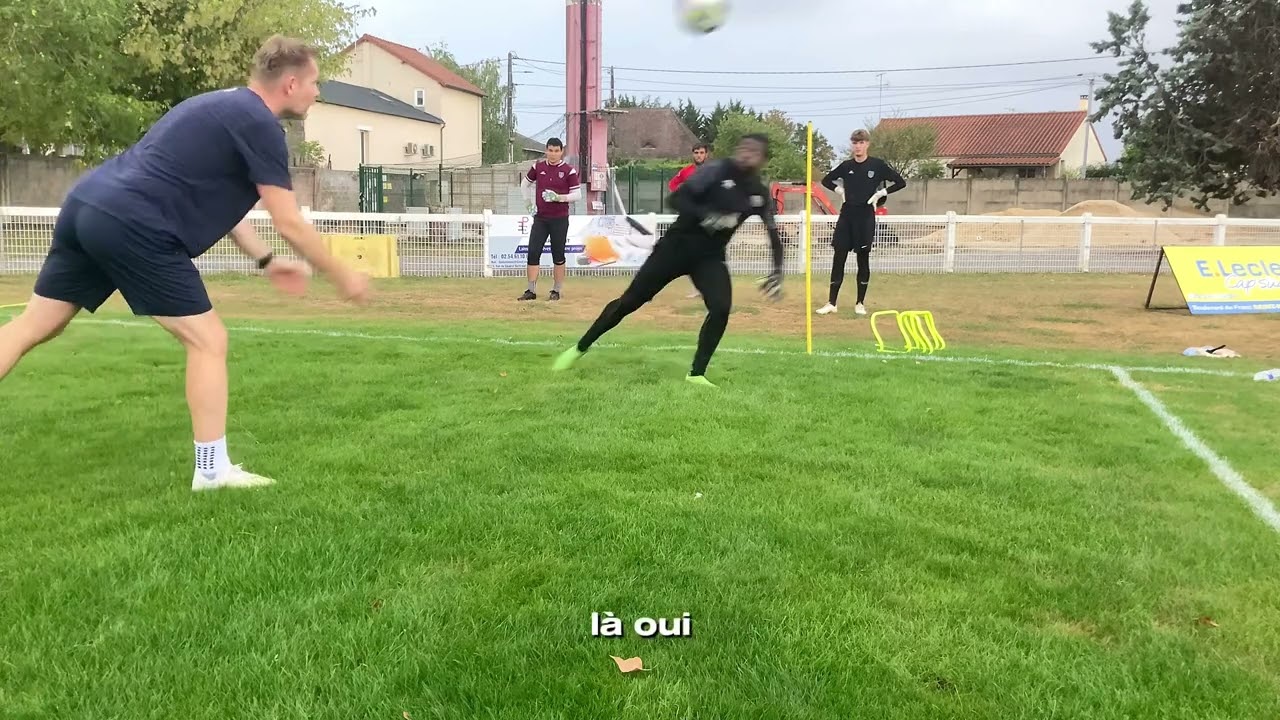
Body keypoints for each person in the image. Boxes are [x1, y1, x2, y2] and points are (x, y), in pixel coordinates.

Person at [0, 35, 370, 492]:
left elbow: (227, 208)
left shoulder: (218, 106)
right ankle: (212, 471)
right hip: (135, 223)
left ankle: (213, 469)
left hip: (88, 206)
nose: (318, 93)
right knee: (208, 339)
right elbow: (289, 220)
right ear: (291, 84)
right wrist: (342, 274)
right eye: (315, 83)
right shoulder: (261, 126)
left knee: (35, 324)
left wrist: (267, 261)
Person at [550, 134, 784, 387]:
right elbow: (676, 199)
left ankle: (696, 374)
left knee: (721, 308)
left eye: (754, 151)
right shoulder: (716, 170)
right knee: (629, 302)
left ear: (762, 159)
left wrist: (777, 271)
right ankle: (580, 347)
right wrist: (708, 216)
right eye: (744, 147)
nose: (746, 153)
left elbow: (772, 231)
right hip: (675, 247)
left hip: (709, 257)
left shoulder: (758, 192)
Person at [816, 128, 906, 316]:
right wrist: (839, 190)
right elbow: (826, 180)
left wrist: (882, 193)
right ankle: (832, 302)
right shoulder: (846, 165)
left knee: (862, 258)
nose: (858, 146)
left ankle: (860, 303)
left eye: (861, 143)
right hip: (847, 214)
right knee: (838, 257)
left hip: (865, 216)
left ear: (867, 144)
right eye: (855, 143)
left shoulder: (877, 165)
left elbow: (900, 182)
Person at [518, 138, 581, 301]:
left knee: (558, 254)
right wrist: (528, 203)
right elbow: (524, 184)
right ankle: (530, 290)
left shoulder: (569, 171)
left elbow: (577, 195)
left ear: (561, 152)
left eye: (556, 151)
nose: (553, 154)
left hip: (559, 219)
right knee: (533, 252)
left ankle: (556, 290)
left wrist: (559, 197)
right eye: (550, 150)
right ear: (546, 150)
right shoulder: (538, 167)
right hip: (540, 218)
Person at [668, 142, 711, 299]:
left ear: (706, 154)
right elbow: (672, 184)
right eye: (696, 153)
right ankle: (699, 287)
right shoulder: (687, 172)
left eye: (701, 152)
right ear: (693, 154)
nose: (699, 155)